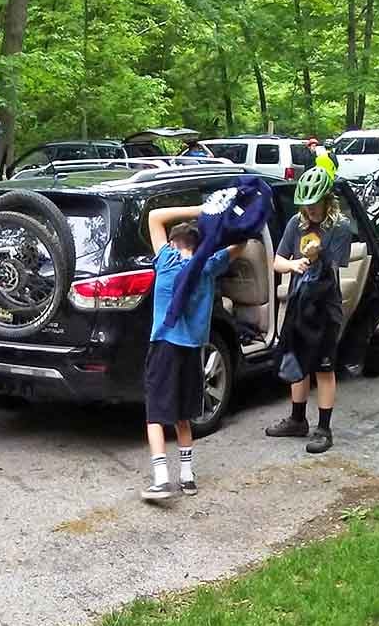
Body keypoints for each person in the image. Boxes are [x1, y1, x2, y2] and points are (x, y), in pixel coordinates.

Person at [142, 204, 244, 501]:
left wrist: (200, 209)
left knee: (155, 415)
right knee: (184, 414)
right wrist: (228, 222)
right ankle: (187, 477)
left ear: (173, 243)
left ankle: (161, 480)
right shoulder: (207, 267)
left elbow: (154, 216)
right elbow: (241, 246)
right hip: (192, 351)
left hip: (163, 347)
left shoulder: (166, 260)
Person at [265, 166, 351, 454]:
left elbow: (333, 270)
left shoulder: (339, 227)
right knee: (297, 362)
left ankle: (324, 429)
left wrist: (317, 256)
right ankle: (297, 420)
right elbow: (278, 261)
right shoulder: (295, 224)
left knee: (324, 367)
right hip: (298, 304)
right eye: (306, 206)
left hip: (325, 307)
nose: (311, 211)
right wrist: (292, 265)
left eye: (315, 206)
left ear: (327, 200)